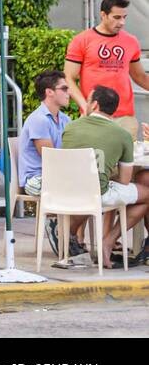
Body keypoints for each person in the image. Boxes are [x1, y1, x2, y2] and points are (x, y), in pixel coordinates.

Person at [58, 85, 148, 269]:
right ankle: (109, 240)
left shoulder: (70, 127)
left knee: (93, 188)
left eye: (89, 100)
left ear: (95, 105)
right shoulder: (122, 135)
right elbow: (124, 181)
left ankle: (70, 234)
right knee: (146, 194)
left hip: (63, 191)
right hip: (96, 194)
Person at [65, 0, 148, 119]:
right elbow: (68, 78)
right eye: (116, 17)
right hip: (94, 115)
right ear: (103, 15)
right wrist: (85, 107)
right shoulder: (81, 40)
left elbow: (140, 76)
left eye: (124, 17)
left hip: (125, 117)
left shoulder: (131, 41)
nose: (122, 22)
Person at [19, 70, 73, 254]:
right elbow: (50, 157)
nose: (69, 93)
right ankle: (63, 234)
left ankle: (73, 240)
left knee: (92, 188)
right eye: (64, 88)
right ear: (49, 92)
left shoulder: (65, 119)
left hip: (56, 176)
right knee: (80, 189)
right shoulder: (39, 120)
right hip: (36, 178)